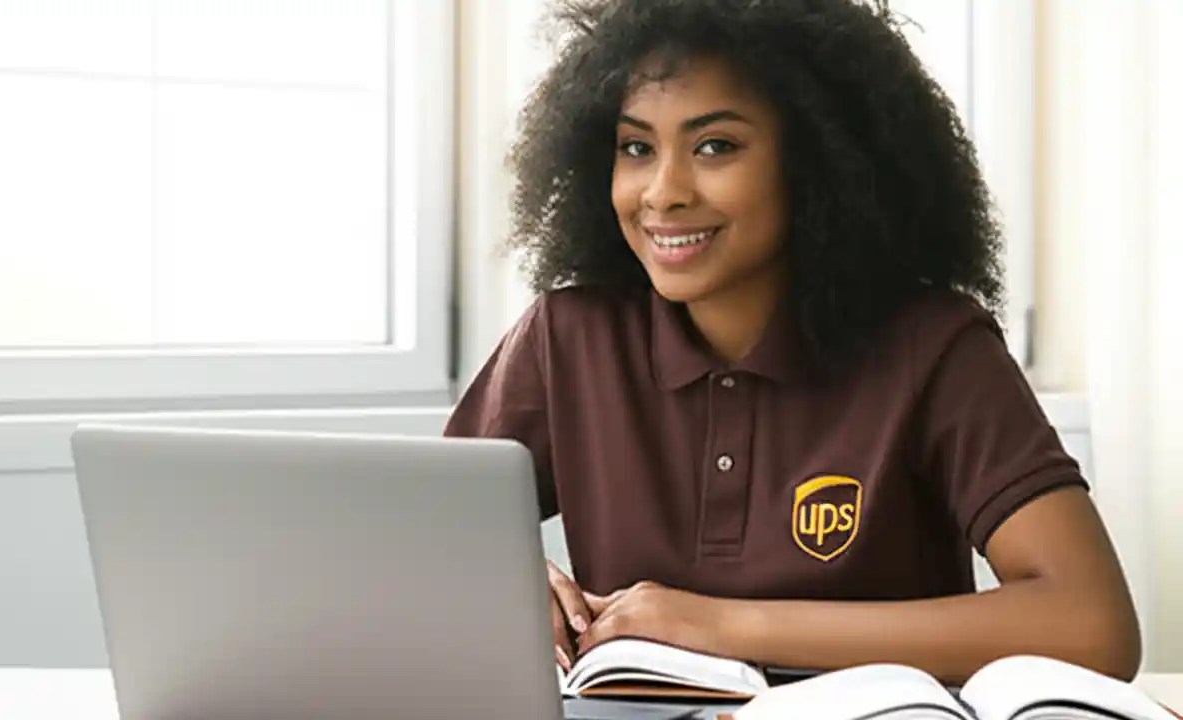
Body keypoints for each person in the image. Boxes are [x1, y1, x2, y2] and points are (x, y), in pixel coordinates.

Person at [444, 0, 1140, 684]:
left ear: (819, 159)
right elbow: (408, 533)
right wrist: (498, 578)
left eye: (715, 146)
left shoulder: (934, 346)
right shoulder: (568, 337)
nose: (663, 192)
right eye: (636, 148)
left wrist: (719, 625)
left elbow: (1092, 626)